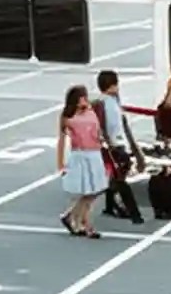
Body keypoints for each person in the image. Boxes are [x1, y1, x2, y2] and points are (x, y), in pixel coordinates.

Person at [94, 70, 146, 224]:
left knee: (117, 176)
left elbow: (122, 124)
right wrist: (109, 144)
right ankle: (135, 214)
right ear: (111, 86)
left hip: (118, 142)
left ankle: (110, 206)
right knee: (120, 179)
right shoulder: (102, 103)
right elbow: (102, 126)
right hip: (113, 145)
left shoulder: (114, 101)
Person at [56, 84, 107, 239]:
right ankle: (85, 224)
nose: (85, 100)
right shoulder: (68, 116)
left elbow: (97, 131)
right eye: (81, 98)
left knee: (96, 190)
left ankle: (71, 216)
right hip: (80, 154)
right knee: (88, 191)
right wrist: (60, 163)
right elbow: (62, 139)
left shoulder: (91, 111)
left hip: (95, 152)